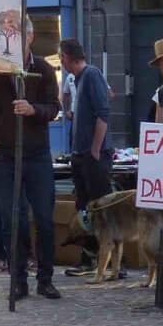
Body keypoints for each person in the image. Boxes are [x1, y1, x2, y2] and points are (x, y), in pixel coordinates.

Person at [0, 24, 62, 300]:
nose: (14, 40)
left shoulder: (44, 70)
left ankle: (45, 279)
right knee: (14, 220)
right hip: (5, 155)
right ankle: (18, 279)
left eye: (20, 34)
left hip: (36, 153)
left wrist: (34, 109)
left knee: (44, 219)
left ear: (31, 37)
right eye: (10, 35)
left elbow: (54, 108)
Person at [60, 39, 115, 277]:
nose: (61, 61)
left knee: (100, 208)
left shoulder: (92, 74)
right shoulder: (78, 79)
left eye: (61, 57)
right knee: (85, 208)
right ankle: (89, 257)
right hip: (80, 154)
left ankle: (111, 261)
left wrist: (95, 149)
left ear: (67, 57)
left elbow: (103, 113)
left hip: (92, 155)